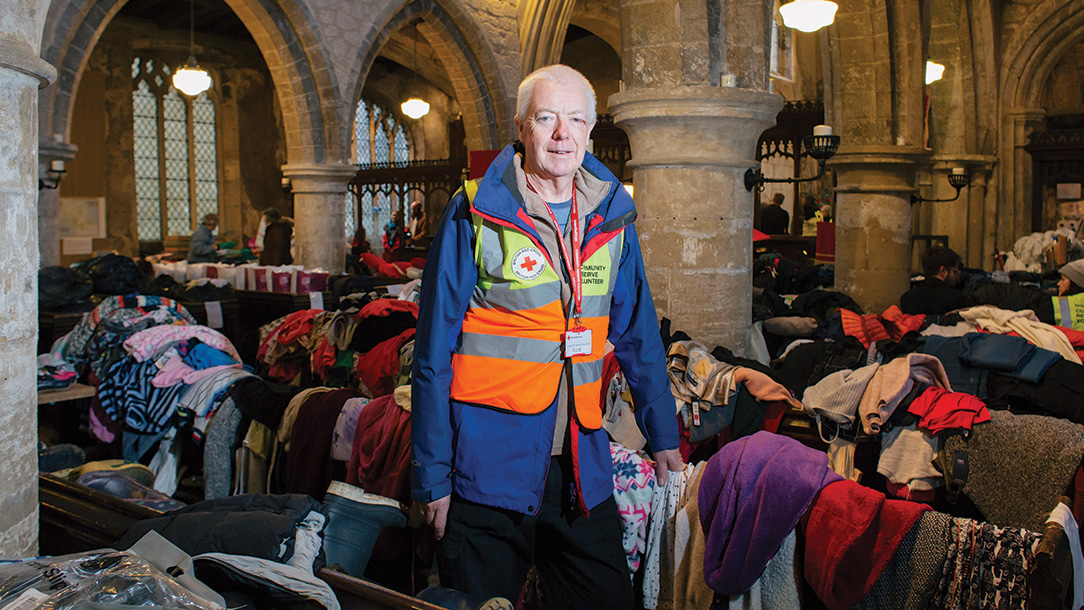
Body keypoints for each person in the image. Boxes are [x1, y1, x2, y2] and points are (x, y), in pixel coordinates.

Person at [411, 64, 683, 608]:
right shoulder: (476, 213)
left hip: (581, 467)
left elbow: (638, 335)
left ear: (590, 129)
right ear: (521, 127)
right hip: (485, 468)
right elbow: (431, 356)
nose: (562, 133)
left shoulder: (613, 217)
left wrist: (664, 434)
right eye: (546, 118)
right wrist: (432, 476)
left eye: (576, 119)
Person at [899, 246, 974, 315]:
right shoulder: (955, 299)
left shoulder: (907, 298)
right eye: (955, 271)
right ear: (943, 271)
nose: (958, 276)